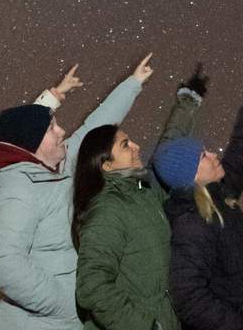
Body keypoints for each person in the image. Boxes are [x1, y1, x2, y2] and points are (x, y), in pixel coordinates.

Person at [0, 56, 157, 330]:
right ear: (32, 145)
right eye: (52, 128)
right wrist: (67, 305)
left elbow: (93, 127)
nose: (62, 131)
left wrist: (132, 84)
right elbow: (6, 266)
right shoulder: (17, 189)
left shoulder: (58, 166)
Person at [72, 65, 209, 330]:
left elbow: (167, 147)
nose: (136, 146)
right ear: (106, 165)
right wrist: (147, 327)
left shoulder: (142, 190)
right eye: (125, 145)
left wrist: (188, 102)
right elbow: (92, 287)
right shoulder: (106, 212)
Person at [150, 69, 243, 330]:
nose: (212, 154)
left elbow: (242, 147)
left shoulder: (220, 192)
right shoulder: (191, 223)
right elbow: (186, 295)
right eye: (202, 156)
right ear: (191, 174)